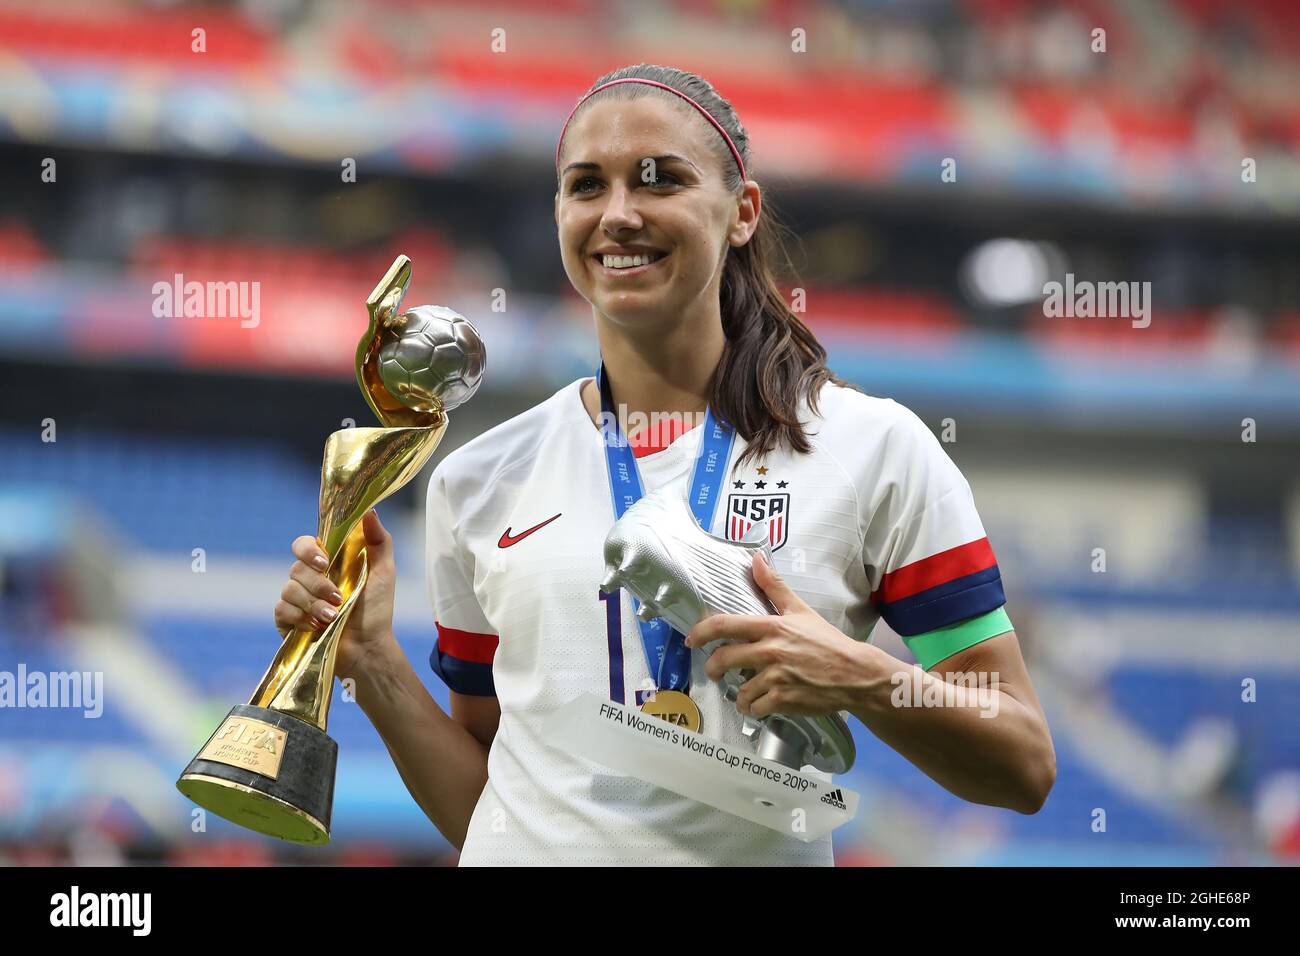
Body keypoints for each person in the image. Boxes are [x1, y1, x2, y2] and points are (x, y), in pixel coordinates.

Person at [274, 63, 1056, 866]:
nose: (618, 214)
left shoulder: (872, 448)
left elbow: (1024, 761)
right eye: (586, 185)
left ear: (742, 212)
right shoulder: (477, 479)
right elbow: (490, 807)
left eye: (659, 180)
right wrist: (373, 662)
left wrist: (864, 677)